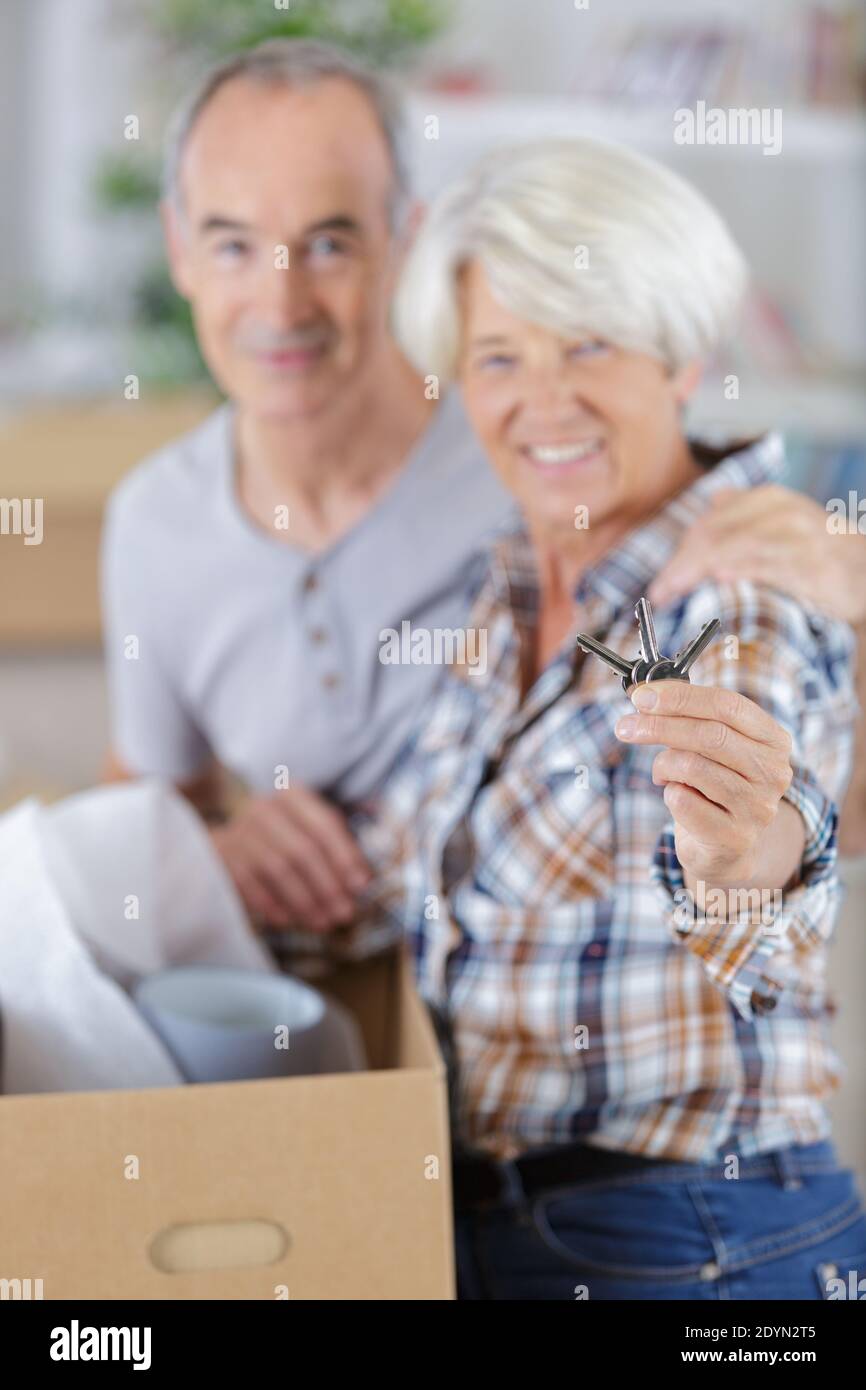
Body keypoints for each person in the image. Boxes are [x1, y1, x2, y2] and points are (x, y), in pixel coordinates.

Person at [101, 39, 866, 944]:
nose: (281, 302)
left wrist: (851, 568)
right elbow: (145, 811)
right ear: (179, 249)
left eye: (331, 241)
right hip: (344, 1009)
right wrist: (217, 846)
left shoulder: (543, 454)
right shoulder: (154, 524)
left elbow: (802, 790)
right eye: (233, 243)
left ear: (401, 239)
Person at [308, 136, 866, 1300]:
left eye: (587, 344)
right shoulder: (505, 585)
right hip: (498, 1218)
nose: (540, 399)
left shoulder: (739, 587)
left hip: (682, 1235)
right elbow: (437, 871)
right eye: (498, 356)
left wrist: (737, 855)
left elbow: (769, 867)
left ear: (679, 357)